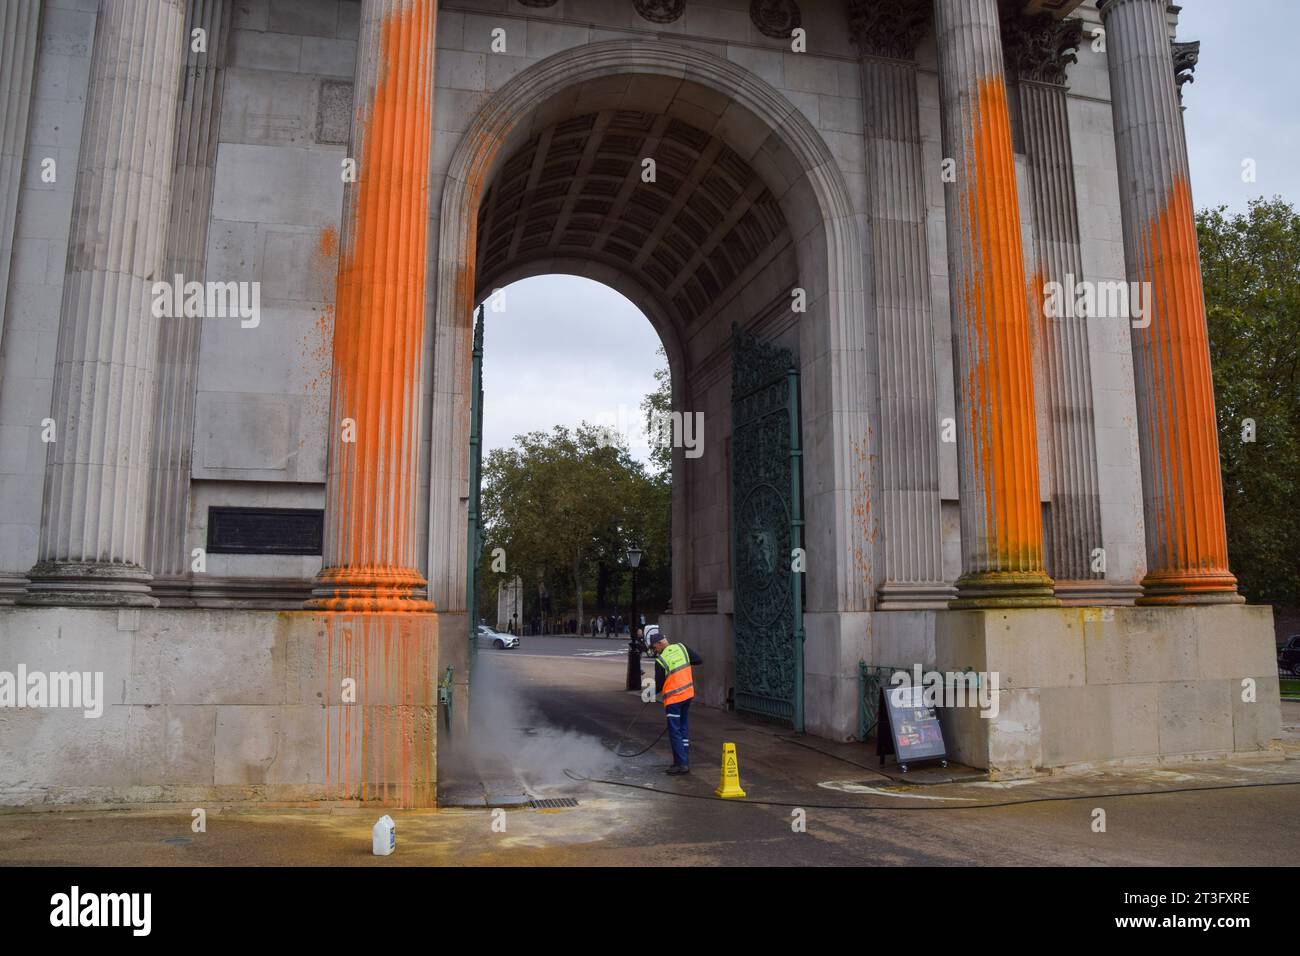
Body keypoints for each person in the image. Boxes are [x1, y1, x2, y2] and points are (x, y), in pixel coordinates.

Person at [650, 628, 702, 775]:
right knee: (683, 729)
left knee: (675, 732)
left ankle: (681, 764)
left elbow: (659, 685)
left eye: (655, 647)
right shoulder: (682, 647)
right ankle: (684, 759)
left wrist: (649, 693)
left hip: (674, 699)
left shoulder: (661, 660)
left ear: (660, 643)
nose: (655, 651)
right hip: (687, 695)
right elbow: (698, 660)